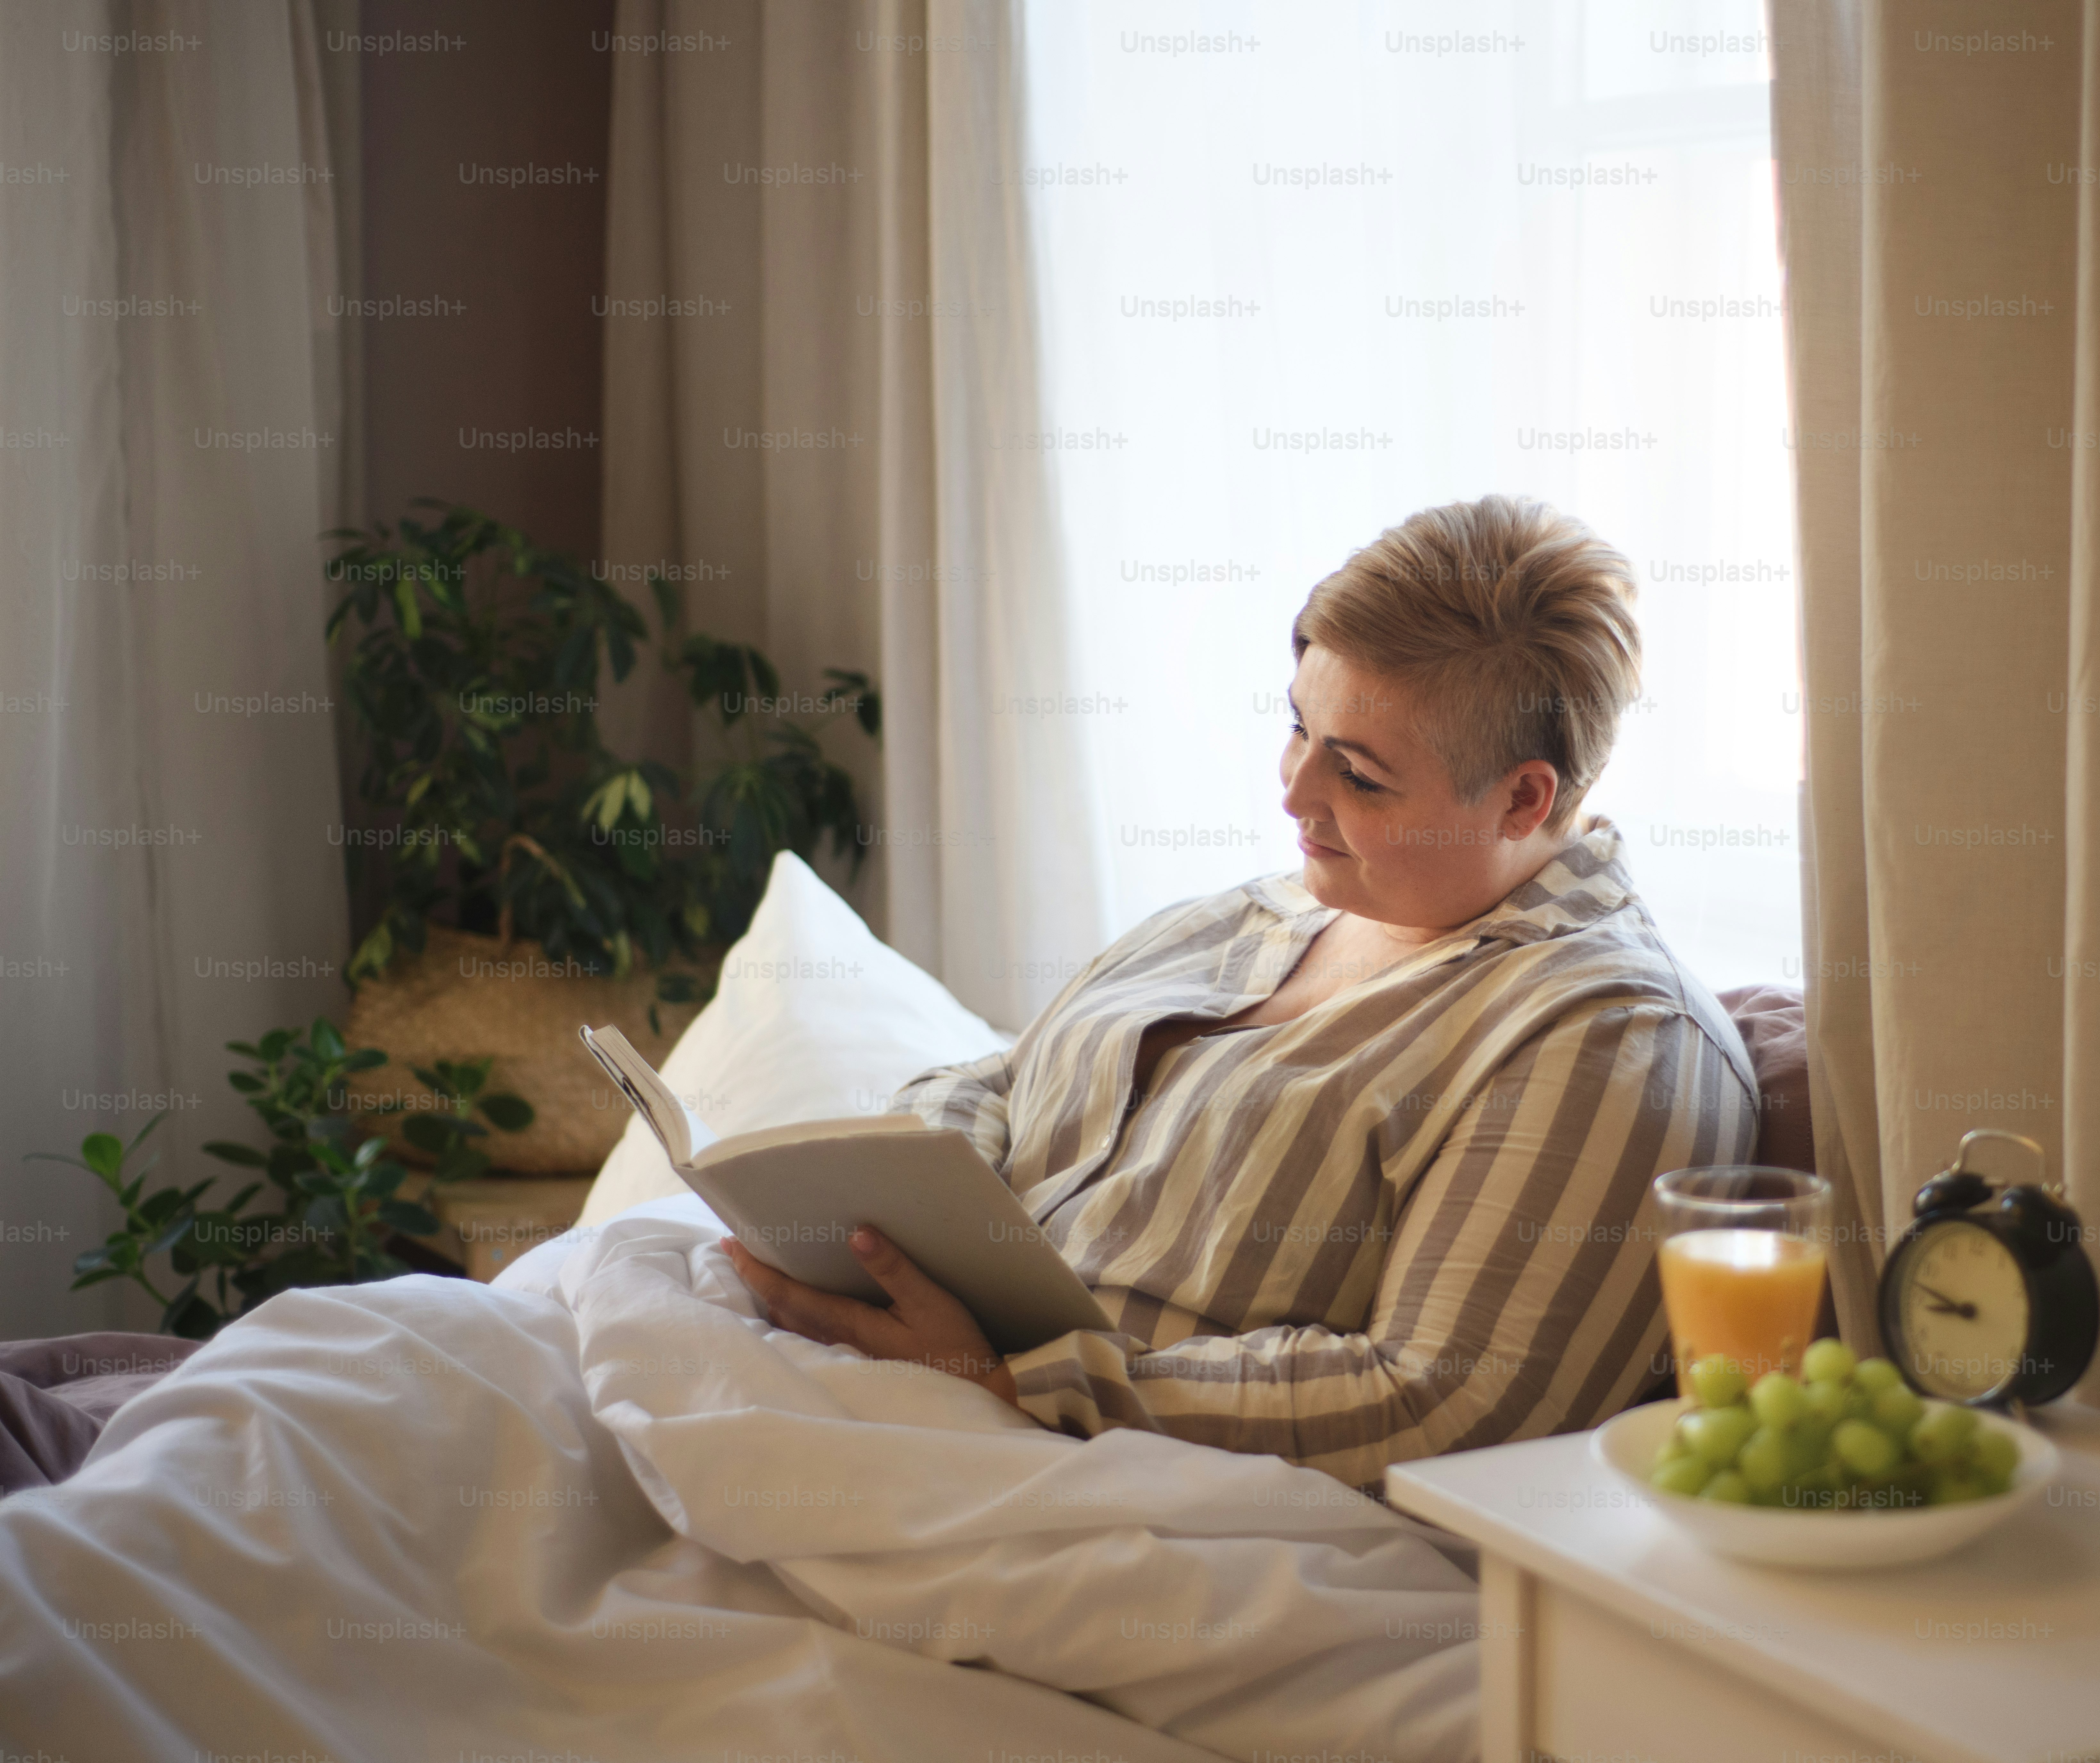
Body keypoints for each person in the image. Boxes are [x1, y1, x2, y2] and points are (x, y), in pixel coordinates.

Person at [725, 496, 1760, 1492]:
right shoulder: (1256, 914)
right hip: (923, 1385)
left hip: (1112, 1476)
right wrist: (885, 1208)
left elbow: (1441, 1407)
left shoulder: (1608, 1038)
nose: (1294, 790)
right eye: (1298, 726)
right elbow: (997, 1078)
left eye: (1359, 774)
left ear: (1525, 798)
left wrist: (1006, 1378)